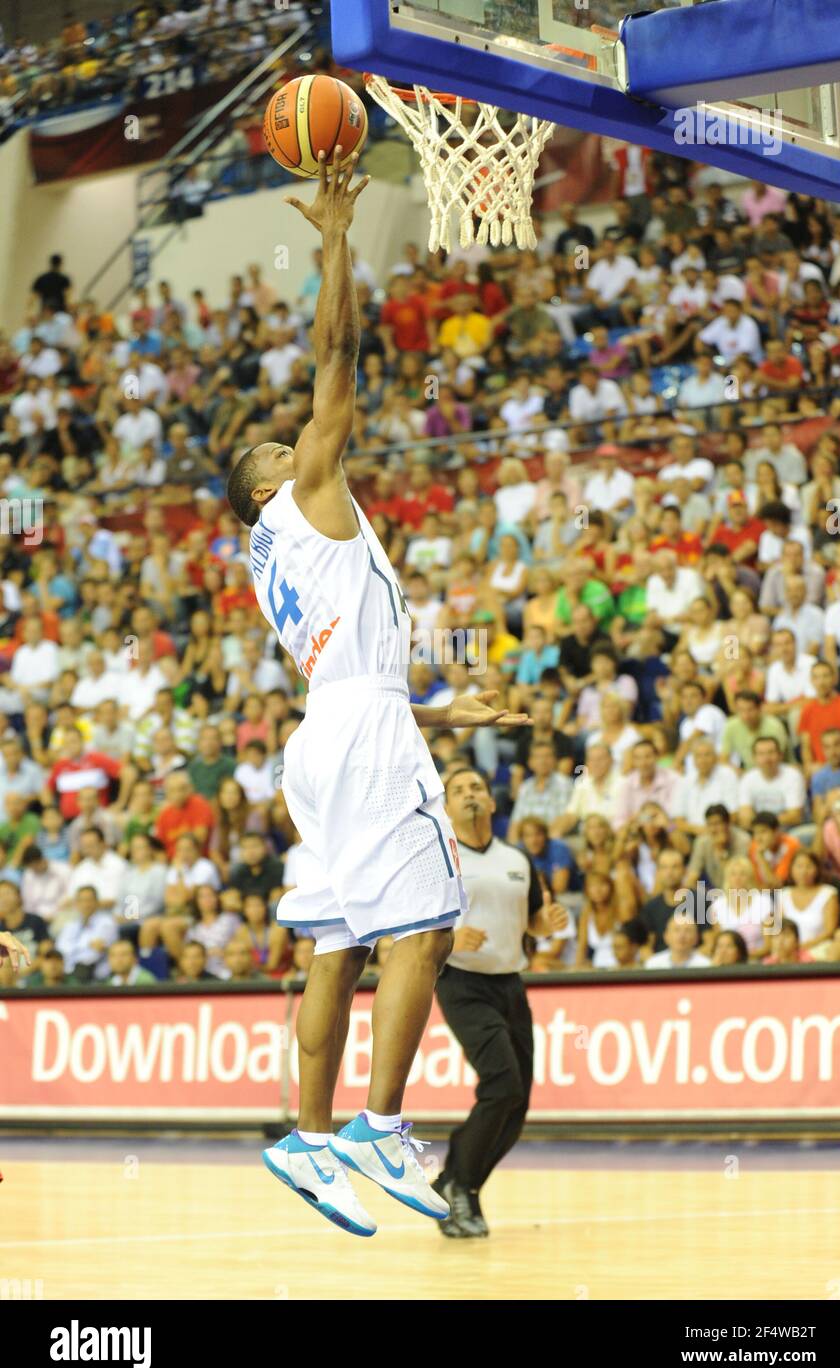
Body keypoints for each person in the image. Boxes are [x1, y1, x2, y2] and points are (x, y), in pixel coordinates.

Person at [224, 152, 529, 1238]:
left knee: (333, 944)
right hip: (357, 729)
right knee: (427, 929)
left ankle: (307, 1137)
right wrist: (340, 238)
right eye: (282, 442)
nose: (298, 434)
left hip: (331, 732)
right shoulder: (308, 486)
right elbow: (335, 354)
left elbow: (364, 680)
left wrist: (448, 714)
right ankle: (379, 1124)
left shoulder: (275, 549)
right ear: (271, 481)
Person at [432, 767, 566, 1237]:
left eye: (477, 788)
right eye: (459, 790)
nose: (470, 795)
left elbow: (531, 922)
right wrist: (450, 937)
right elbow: (412, 928)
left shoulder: (517, 857)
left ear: (492, 802)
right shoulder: (440, 857)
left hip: (510, 983)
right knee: (502, 1084)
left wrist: (544, 925)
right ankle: (461, 1189)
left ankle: (454, 1181)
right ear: (445, 807)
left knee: (518, 1101)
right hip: (462, 983)